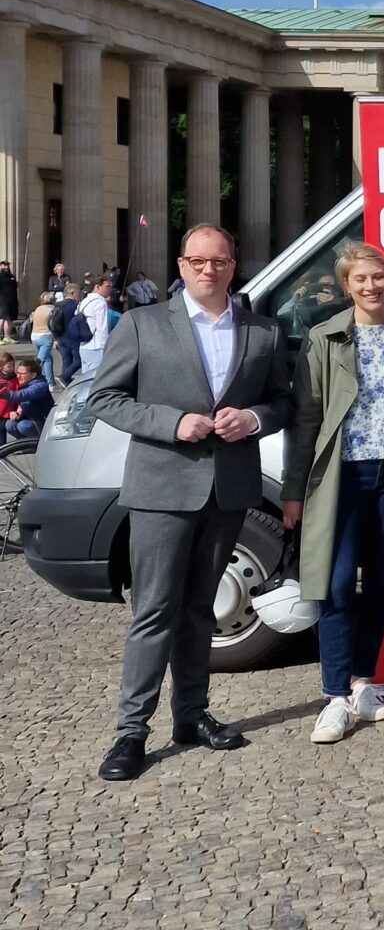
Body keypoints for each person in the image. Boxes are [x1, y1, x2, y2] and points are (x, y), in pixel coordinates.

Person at [88, 221, 293, 782]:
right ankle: (131, 732)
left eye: (220, 261)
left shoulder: (263, 331)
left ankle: (191, 714)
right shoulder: (142, 324)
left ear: (233, 265)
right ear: (181, 266)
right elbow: (104, 397)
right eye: (198, 261)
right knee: (153, 610)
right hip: (162, 487)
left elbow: (281, 402)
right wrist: (172, 422)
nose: (210, 270)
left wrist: (252, 418)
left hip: (228, 490)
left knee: (202, 607)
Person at [281, 243, 384, 746]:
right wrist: (293, 489)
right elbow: (305, 419)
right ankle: (333, 696)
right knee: (338, 583)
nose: (371, 286)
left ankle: (364, 683)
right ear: (346, 285)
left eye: (379, 277)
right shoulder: (324, 338)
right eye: (361, 279)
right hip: (339, 479)